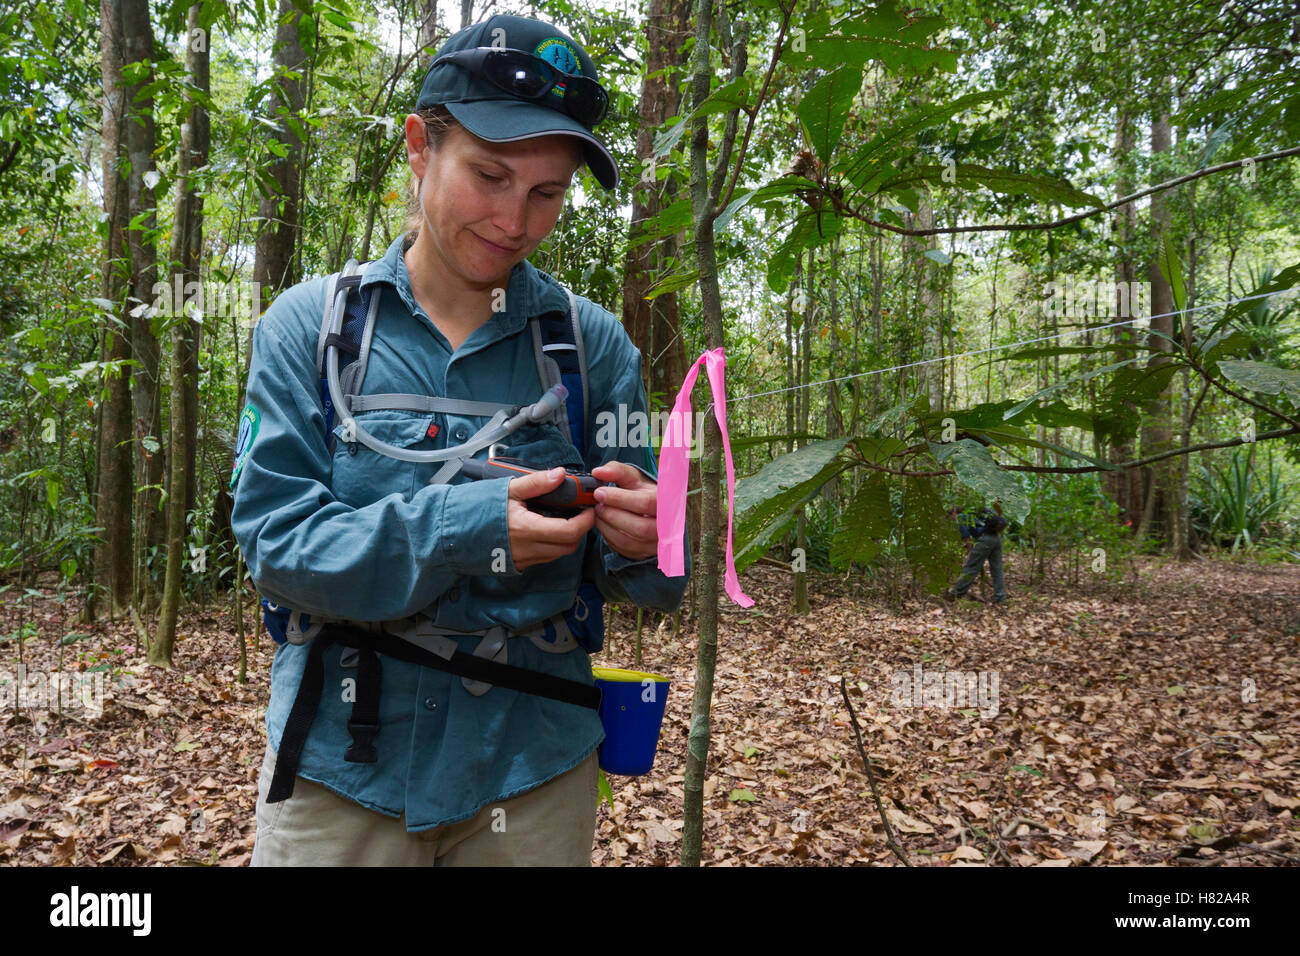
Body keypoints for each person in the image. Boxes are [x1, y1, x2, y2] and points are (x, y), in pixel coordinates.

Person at [230, 13, 689, 866]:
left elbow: (657, 582)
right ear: (419, 145)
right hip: (342, 767)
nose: (515, 219)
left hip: (533, 767)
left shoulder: (593, 350)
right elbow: (276, 543)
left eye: (546, 193)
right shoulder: (311, 329)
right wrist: (467, 528)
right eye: (489, 175)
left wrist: (653, 537)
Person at [944, 505, 1008, 604]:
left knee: (971, 568)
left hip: (984, 539)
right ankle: (1000, 597)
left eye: (950, 517)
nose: (951, 519)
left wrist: (970, 551)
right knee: (997, 568)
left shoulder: (960, 517)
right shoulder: (971, 514)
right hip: (996, 538)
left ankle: (955, 594)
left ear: (953, 513)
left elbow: (966, 537)